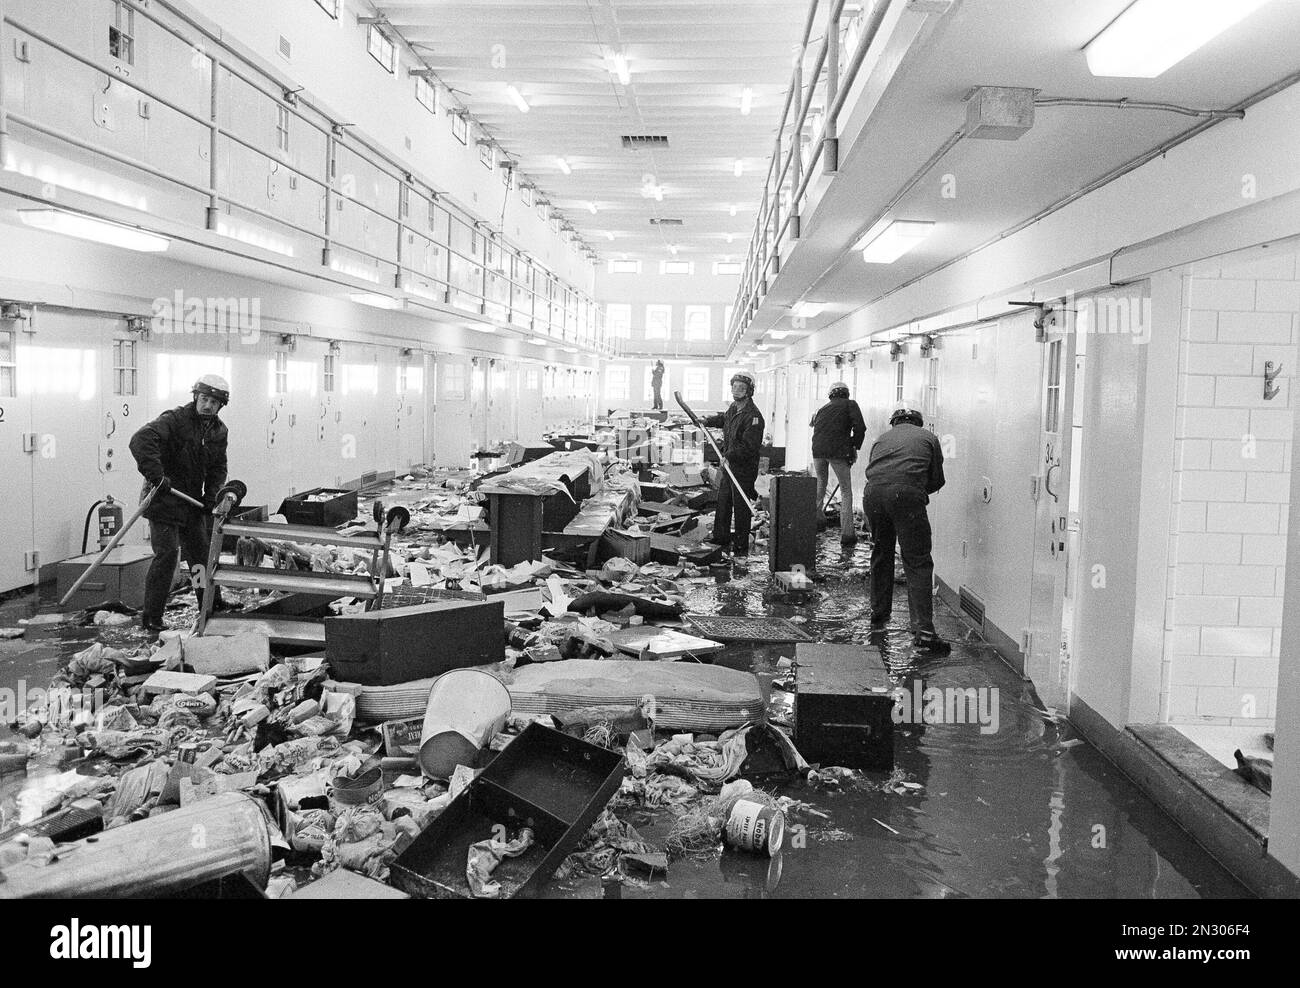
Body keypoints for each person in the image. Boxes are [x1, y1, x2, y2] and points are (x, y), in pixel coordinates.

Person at [129, 375, 231, 632]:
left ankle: (208, 606)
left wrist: (212, 496)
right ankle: (152, 617)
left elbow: (218, 468)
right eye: (204, 399)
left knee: (200, 557)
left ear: (221, 406)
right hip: (164, 499)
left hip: (192, 502)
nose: (207, 405)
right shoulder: (175, 420)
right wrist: (157, 475)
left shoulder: (219, 432)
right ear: (196, 397)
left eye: (214, 402)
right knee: (167, 555)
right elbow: (141, 440)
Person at [863, 407, 949, 653]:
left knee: (881, 552)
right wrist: (913, 490)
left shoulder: (881, 438)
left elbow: (876, 470)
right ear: (918, 422)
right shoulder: (928, 438)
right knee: (917, 561)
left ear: (894, 422)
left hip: (873, 494)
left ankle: (878, 614)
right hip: (907, 495)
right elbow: (937, 479)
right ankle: (923, 631)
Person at [703, 371, 764, 568]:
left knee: (741, 507)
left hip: (743, 468)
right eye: (734, 386)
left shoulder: (753, 417)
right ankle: (721, 538)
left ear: (749, 391)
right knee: (723, 501)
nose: (736, 390)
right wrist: (707, 421)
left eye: (741, 387)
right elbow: (724, 420)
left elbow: (749, 446)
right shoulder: (733, 408)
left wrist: (729, 456)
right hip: (729, 465)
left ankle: (740, 545)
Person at [809, 381, 866, 545]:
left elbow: (815, 426)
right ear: (846, 394)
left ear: (831, 394)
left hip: (818, 451)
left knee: (820, 484)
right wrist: (854, 447)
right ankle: (848, 535)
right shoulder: (850, 404)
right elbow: (860, 428)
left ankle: (815, 524)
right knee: (846, 490)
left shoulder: (823, 408)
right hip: (838, 452)